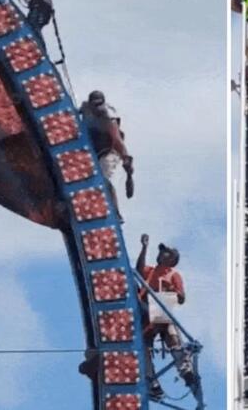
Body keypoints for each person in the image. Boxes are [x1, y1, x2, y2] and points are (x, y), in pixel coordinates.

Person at [136, 233, 196, 399]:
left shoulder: (173, 275)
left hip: (162, 308)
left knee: (172, 336)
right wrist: (144, 247)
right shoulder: (151, 271)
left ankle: (185, 370)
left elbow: (182, 298)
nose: (162, 254)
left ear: (172, 260)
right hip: (146, 310)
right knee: (143, 346)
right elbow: (138, 269)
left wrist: (171, 291)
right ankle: (152, 382)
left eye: (167, 252)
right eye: (162, 252)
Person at [80, 90, 133, 221]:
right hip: (95, 150)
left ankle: (115, 213)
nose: (98, 109)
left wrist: (125, 157)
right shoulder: (85, 108)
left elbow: (116, 140)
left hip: (110, 150)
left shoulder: (108, 115)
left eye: (100, 105)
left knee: (105, 180)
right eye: (95, 106)